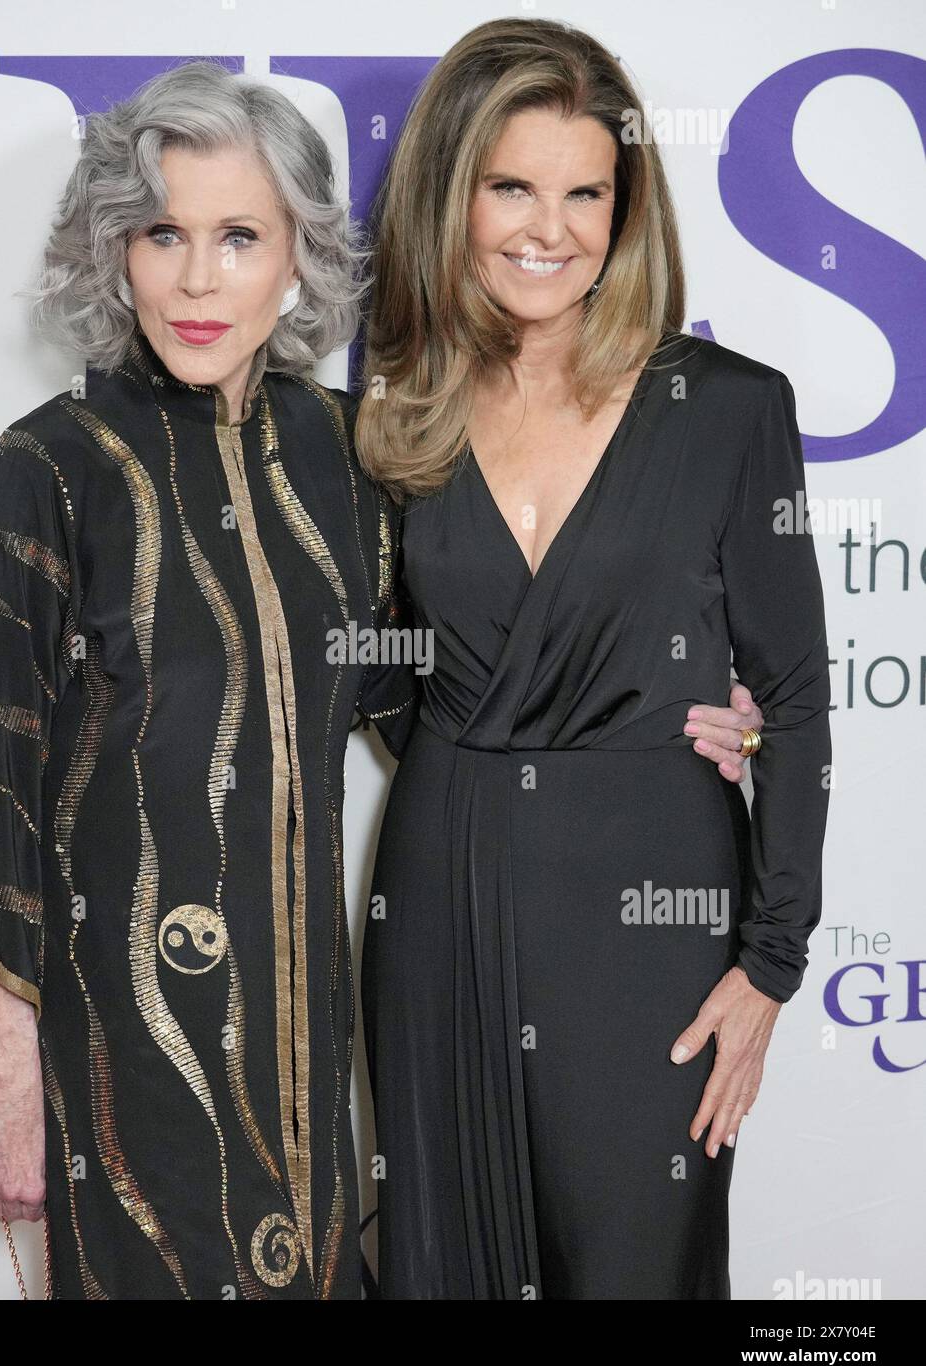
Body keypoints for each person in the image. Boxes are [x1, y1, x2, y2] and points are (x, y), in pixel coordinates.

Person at [0, 59, 416, 1300]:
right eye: (163, 234)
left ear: (296, 252)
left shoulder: (344, 455)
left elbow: (439, 705)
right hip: (120, 1049)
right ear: (114, 251)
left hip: (310, 1040)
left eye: (238, 236)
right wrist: (16, 1087)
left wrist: (654, 715)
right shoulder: (52, 463)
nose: (199, 281)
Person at [356, 18, 831, 1299]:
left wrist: (769, 965)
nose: (546, 228)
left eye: (585, 192)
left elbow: (788, 698)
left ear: (627, 208)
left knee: (638, 1266)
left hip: (652, 915)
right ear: (453, 192)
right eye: (509, 185)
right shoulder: (397, 402)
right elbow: (380, 673)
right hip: (439, 900)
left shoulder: (729, 408)